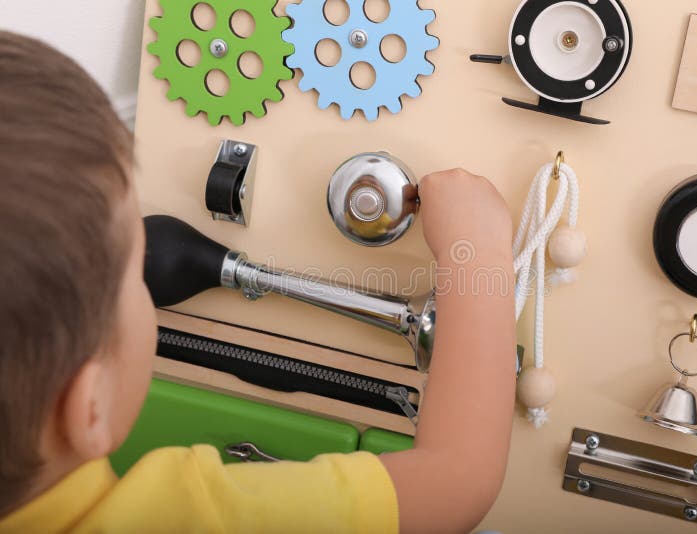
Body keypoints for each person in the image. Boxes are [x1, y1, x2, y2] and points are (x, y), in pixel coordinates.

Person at [0, 30, 517, 534]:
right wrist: (476, 251)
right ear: (89, 406)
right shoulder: (186, 514)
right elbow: (459, 478)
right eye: (134, 273)